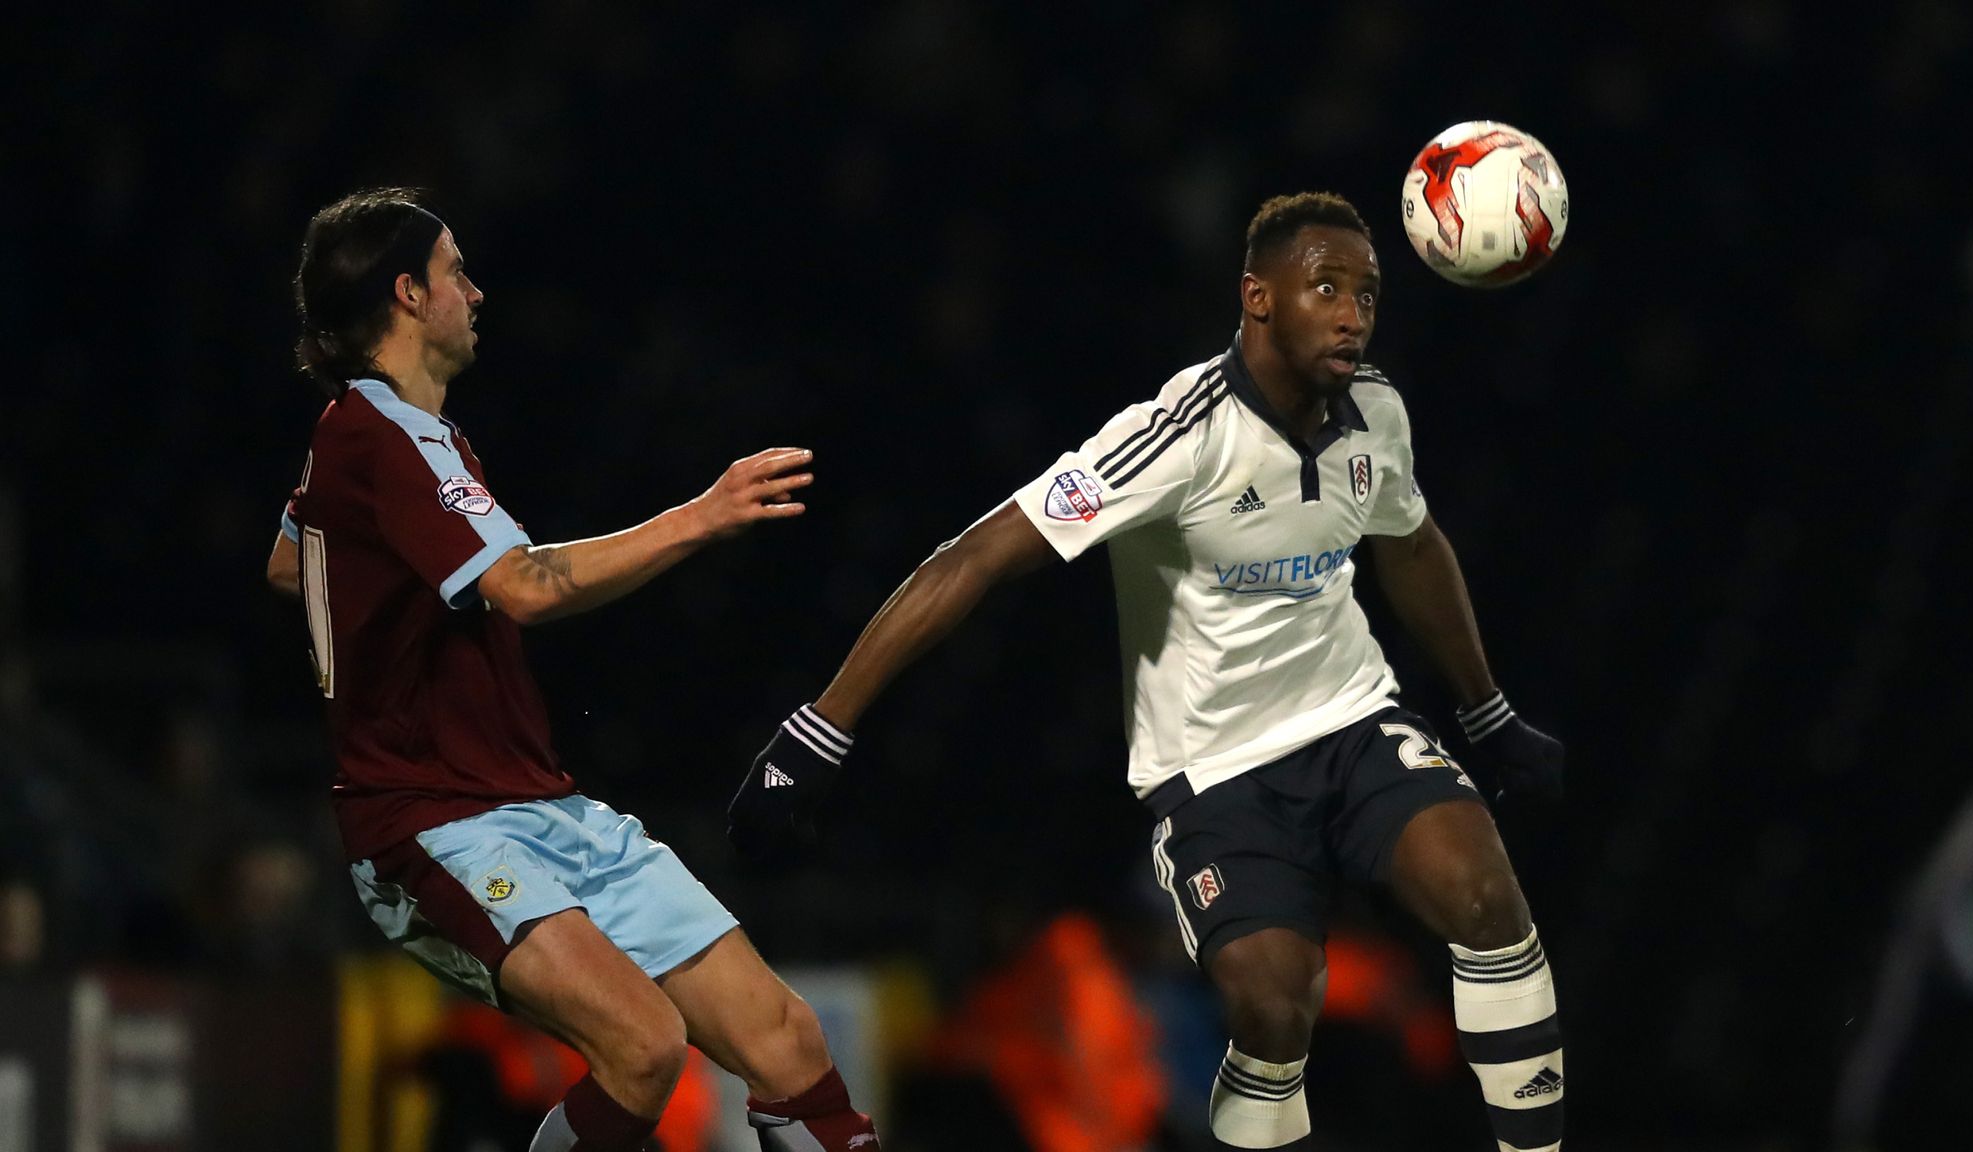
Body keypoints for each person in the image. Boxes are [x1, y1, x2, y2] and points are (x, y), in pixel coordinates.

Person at [730, 192, 1566, 1151]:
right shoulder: (1175, 435)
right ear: (1257, 298)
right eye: (1325, 288)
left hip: (1353, 720)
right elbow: (975, 559)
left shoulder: (1375, 411)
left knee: (1487, 901)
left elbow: (1411, 545)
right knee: (1274, 1011)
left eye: (1368, 295)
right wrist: (819, 730)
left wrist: (1489, 711)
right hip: (1217, 772)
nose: (1351, 314)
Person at [267, 188, 880, 1152]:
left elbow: (288, 559)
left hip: (543, 808)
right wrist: (703, 514)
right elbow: (527, 588)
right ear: (407, 296)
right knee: (642, 1047)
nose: (475, 290)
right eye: (454, 270)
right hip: (434, 823)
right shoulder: (377, 436)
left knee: (789, 1045)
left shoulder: (391, 440)